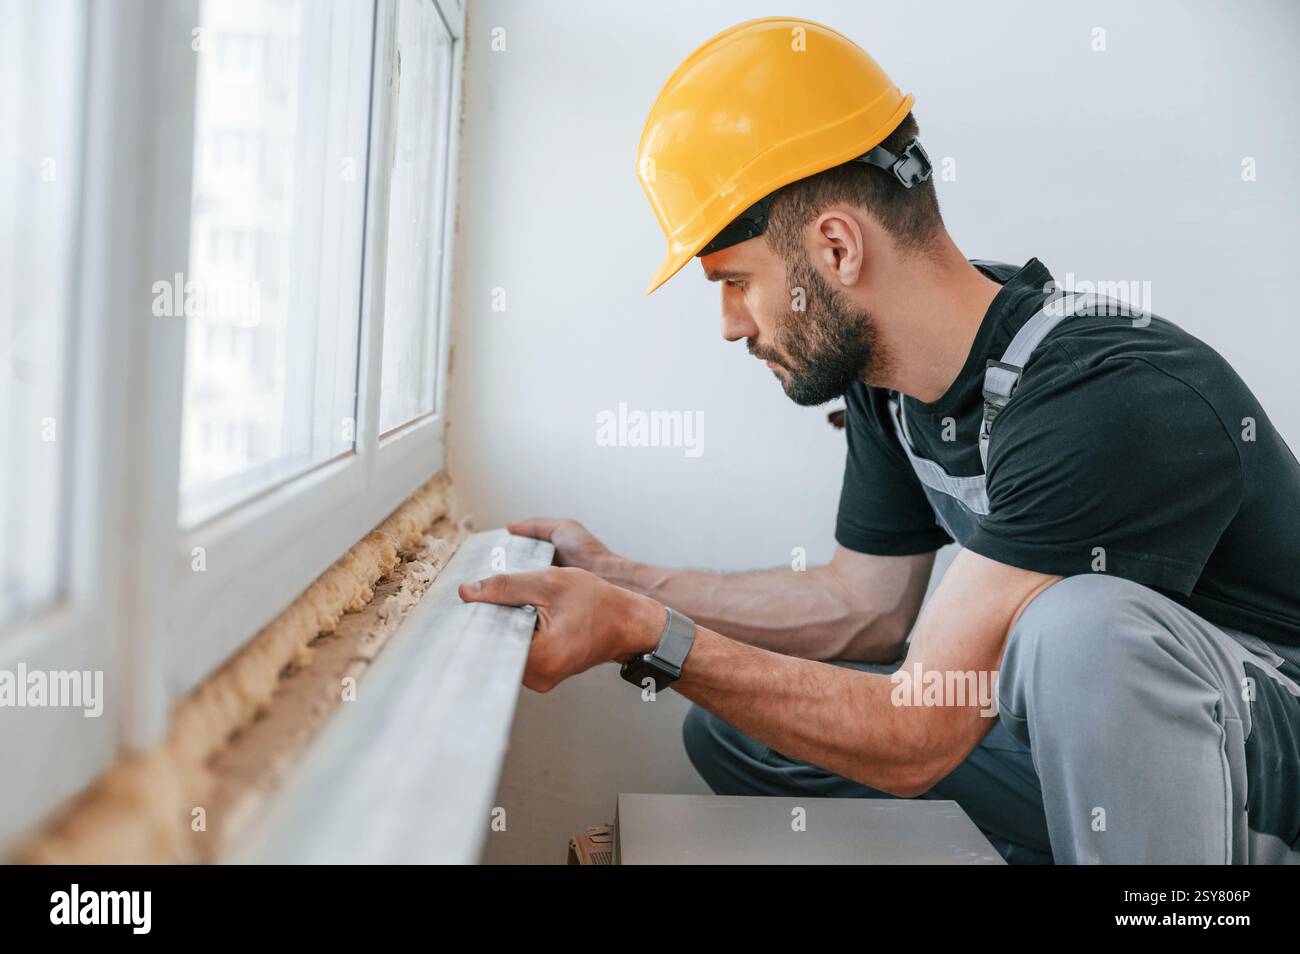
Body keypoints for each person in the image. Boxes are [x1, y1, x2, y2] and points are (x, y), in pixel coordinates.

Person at [459, 17, 1300, 863]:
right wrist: (615, 579)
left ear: (835, 246)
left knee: (1077, 628)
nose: (727, 325)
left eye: (736, 282)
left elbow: (919, 731)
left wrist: (649, 633)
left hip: (1255, 765)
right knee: (744, 732)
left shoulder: (1101, 395)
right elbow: (860, 609)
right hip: (1087, 741)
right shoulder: (892, 383)